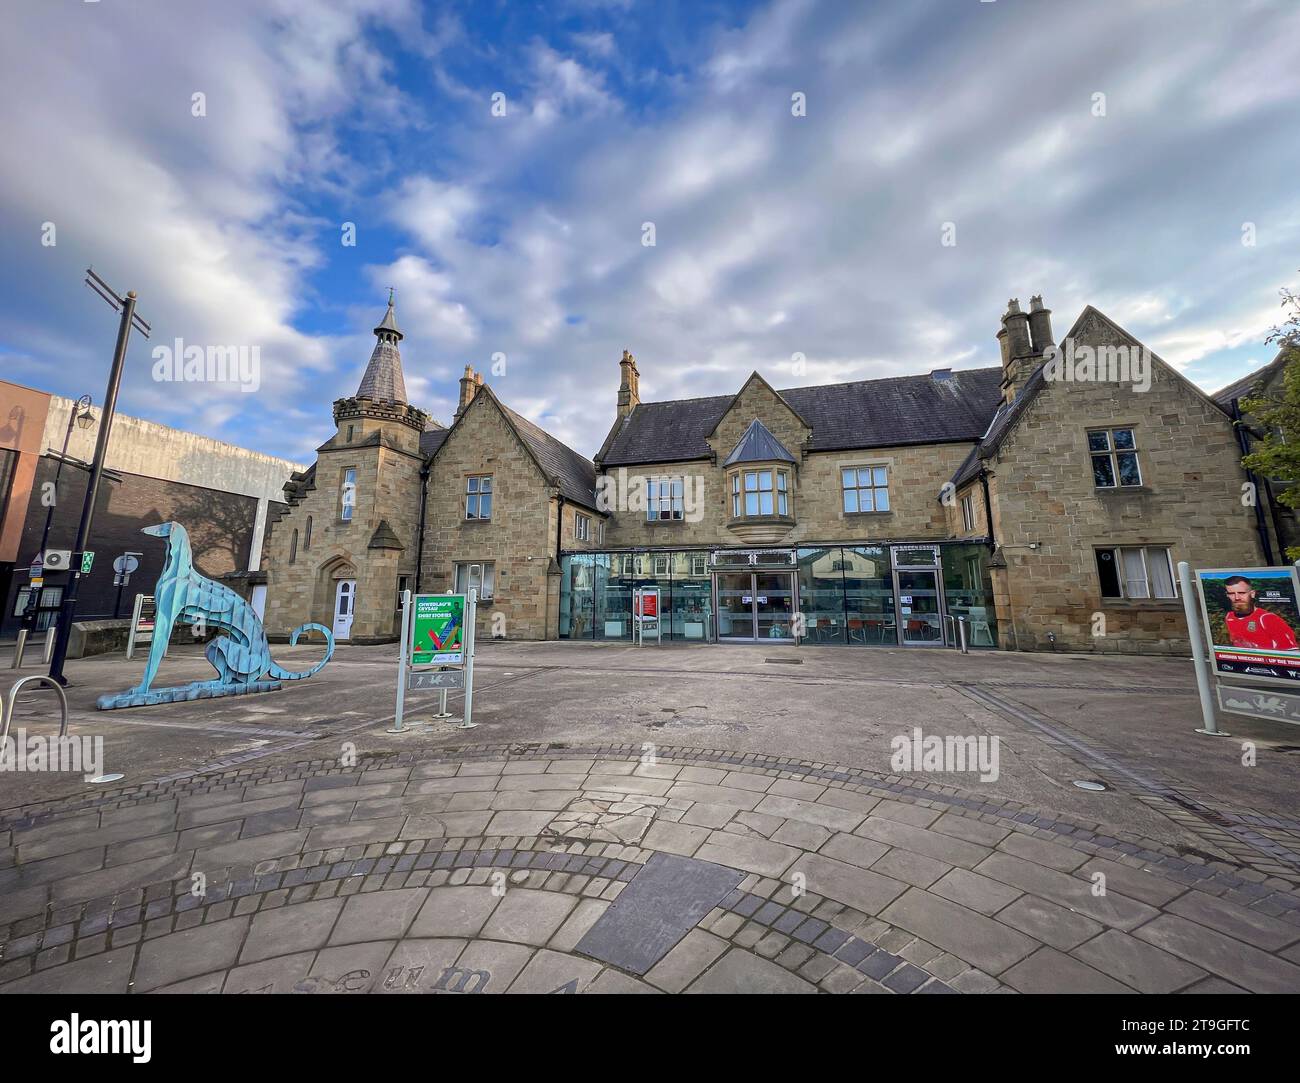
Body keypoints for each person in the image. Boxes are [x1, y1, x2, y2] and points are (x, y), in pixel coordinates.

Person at [1222, 576, 1300, 651]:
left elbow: (1292, 652)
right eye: (1231, 593)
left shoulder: (1268, 618)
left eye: (1242, 593)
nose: (1237, 597)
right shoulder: (1229, 616)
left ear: (1252, 593)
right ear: (1227, 595)